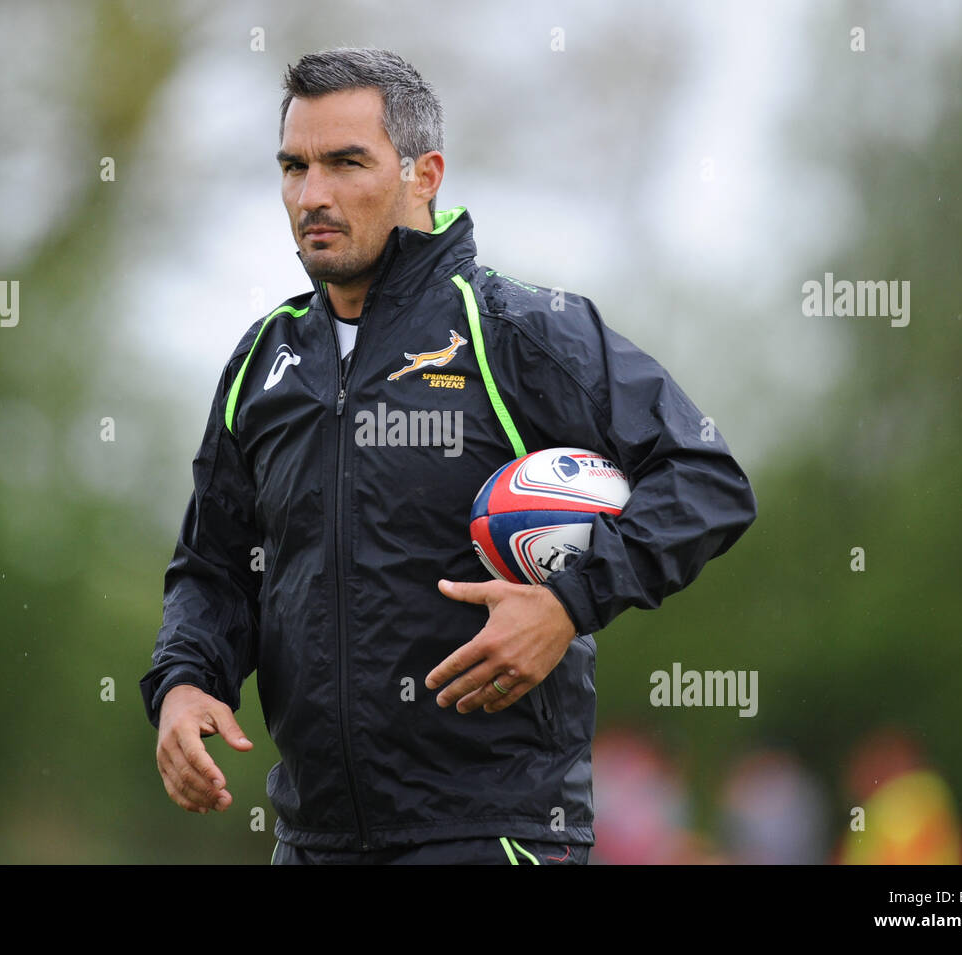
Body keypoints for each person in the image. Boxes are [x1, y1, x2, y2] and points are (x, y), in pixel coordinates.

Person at [139, 47, 758, 865]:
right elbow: (214, 569)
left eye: (345, 162)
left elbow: (705, 477)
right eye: (293, 166)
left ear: (423, 174)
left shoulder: (519, 331)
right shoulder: (263, 363)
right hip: (312, 839)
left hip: (490, 832)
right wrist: (185, 682)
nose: (310, 194)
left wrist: (570, 602)